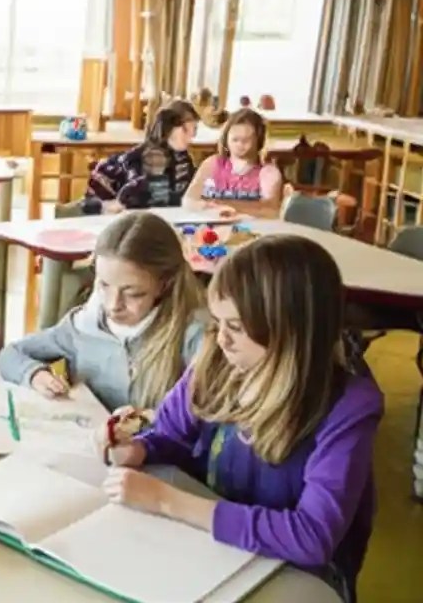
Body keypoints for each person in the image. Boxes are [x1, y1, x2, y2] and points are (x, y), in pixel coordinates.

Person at [99, 236, 382, 603]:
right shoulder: (217, 363)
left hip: (295, 574)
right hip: (212, 550)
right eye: (217, 323)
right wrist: (137, 449)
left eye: (236, 326)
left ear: (290, 329)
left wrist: (170, 502)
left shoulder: (348, 407)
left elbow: (312, 538)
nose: (221, 341)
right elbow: (170, 437)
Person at [0, 211, 205, 412]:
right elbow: (11, 354)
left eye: (133, 294)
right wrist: (35, 375)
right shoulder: (84, 325)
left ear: (165, 284)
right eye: (104, 285)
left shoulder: (194, 335)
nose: (113, 305)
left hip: (157, 446)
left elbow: (208, 416)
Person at [85, 100, 200, 213]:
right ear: (168, 127)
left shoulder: (183, 158)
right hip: (102, 209)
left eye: (194, 130)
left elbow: (188, 190)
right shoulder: (153, 155)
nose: (191, 137)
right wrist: (188, 201)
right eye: (185, 130)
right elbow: (153, 197)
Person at [184, 108, 284, 218]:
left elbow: (270, 210)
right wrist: (203, 207)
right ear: (226, 138)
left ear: (259, 140)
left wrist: (226, 205)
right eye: (235, 140)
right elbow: (189, 200)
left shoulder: (268, 172)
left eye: (246, 140)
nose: (240, 144)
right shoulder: (212, 164)